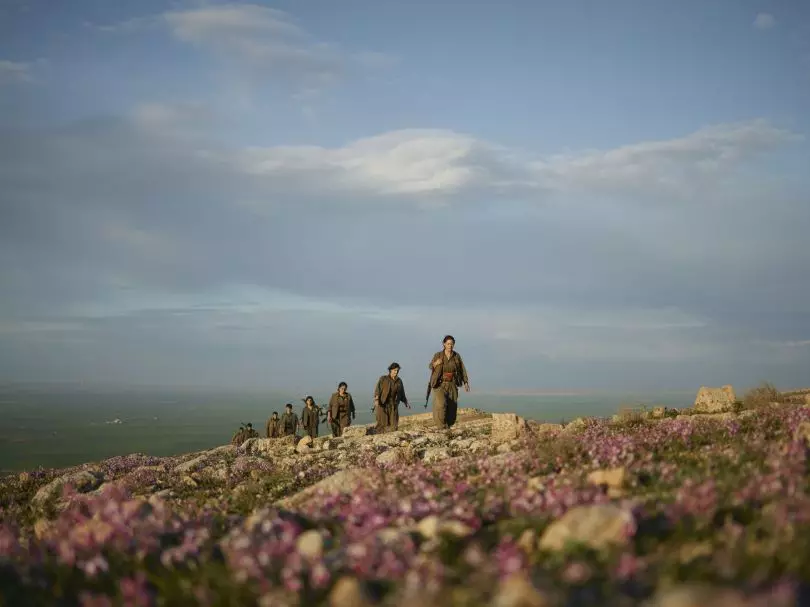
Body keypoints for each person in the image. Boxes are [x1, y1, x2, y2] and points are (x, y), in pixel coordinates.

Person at [428, 335, 470, 430]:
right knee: (441, 404)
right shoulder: (438, 355)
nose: (450, 346)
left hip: (452, 384)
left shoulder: (456, 356)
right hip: (440, 384)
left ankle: (448, 425)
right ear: (444, 344)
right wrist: (435, 363)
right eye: (448, 344)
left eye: (451, 344)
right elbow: (430, 366)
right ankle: (441, 426)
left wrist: (466, 382)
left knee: (452, 406)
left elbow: (462, 369)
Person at [373, 362, 410, 433]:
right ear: (390, 370)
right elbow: (378, 389)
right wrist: (376, 400)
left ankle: (391, 438)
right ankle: (380, 439)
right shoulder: (383, 379)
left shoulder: (399, 381)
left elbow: (402, 393)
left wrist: (406, 402)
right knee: (382, 423)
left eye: (397, 370)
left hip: (393, 404)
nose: (396, 372)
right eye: (395, 370)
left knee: (394, 424)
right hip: (383, 404)